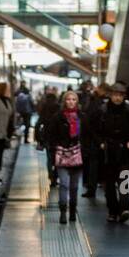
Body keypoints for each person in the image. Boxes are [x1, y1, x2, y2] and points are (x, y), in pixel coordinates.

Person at [97, 81, 129, 222]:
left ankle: (124, 209)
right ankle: (112, 210)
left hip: (124, 151)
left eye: (120, 95)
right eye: (115, 95)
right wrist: (101, 143)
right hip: (108, 151)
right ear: (110, 95)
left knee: (125, 181)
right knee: (109, 185)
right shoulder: (103, 110)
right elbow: (95, 129)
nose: (117, 98)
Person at [46, 90, 85, 224]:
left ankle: (73, 210)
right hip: (61, 154)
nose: (71, 102)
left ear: (77, 102)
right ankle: (63, 211)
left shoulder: (82, 117)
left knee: (74, 186)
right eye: (68, 99)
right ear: (64, 101)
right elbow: (50, 135)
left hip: (77, 155)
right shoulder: (57, 117)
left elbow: (88, 134)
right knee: (64, 184)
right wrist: (53, 152)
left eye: (74, 99)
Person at [82, 83, 108, 198]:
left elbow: (88, 123)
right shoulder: (105, 105)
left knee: (94, 165)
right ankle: (124, 199)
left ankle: (92, 189)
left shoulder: (94, 103)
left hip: (97, 140)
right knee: (115, 169)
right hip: (110, 143)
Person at [36, 88, 61, 182]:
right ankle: (56, 175)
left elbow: (38, 124)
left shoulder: (44, 108)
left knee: (49, 158)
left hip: (47, 136)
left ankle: (51, 177)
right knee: (58, 157)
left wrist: (38, 138)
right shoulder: (59, 107)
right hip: (58, 137)